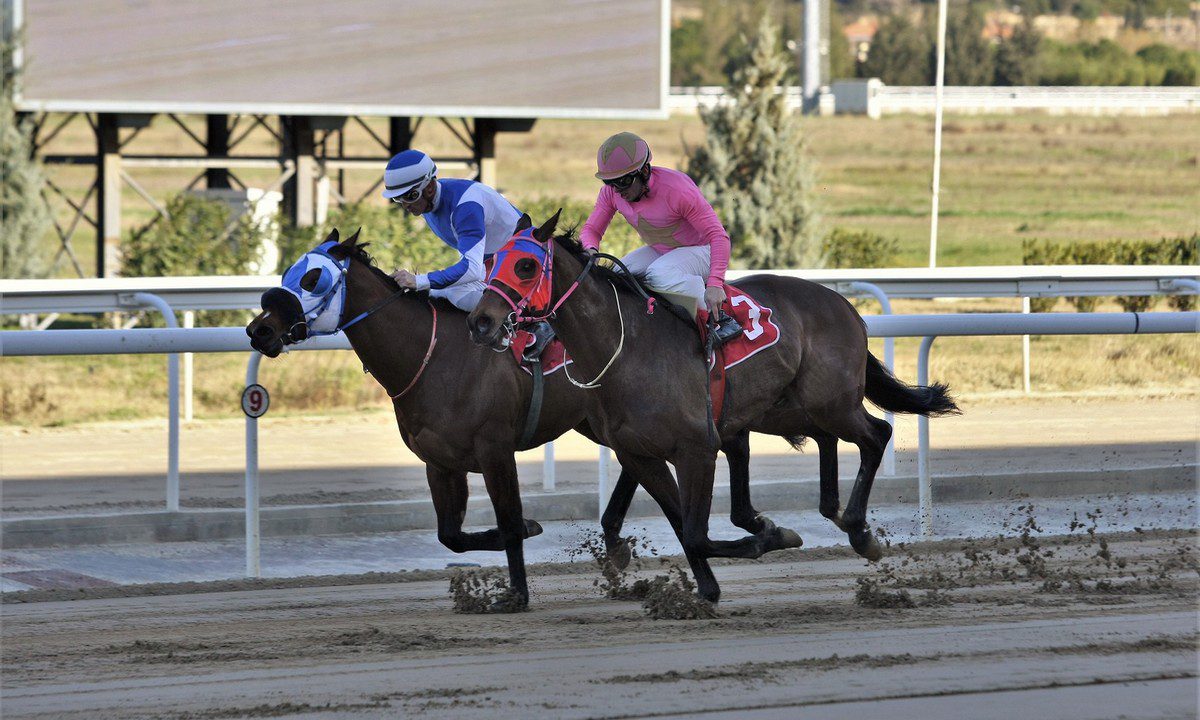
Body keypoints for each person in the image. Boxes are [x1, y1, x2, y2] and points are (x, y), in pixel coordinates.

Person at [383, 149, 553, 358]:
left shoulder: (465, 207)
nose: (405, 205)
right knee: (438, 293)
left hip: (530, 271)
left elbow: (472, 270)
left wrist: (419, 281)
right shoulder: (428, 204)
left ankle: (533, 326)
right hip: (499, 266)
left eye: (410, 196)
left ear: (428, 188)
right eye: (398, 199)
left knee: (448, 292)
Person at [580, 132, 743, 346]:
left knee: (659, 274)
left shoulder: (677, 190)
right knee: (617, 274)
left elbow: (718, 235)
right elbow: (591, 229)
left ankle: (716, 320)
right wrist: (590, 249)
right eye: (611, 183)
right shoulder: (611, 193)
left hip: (705, 250)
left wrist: (715, 283)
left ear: (644, 171)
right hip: (665, 249)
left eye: (624, 182)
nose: (619, 191)